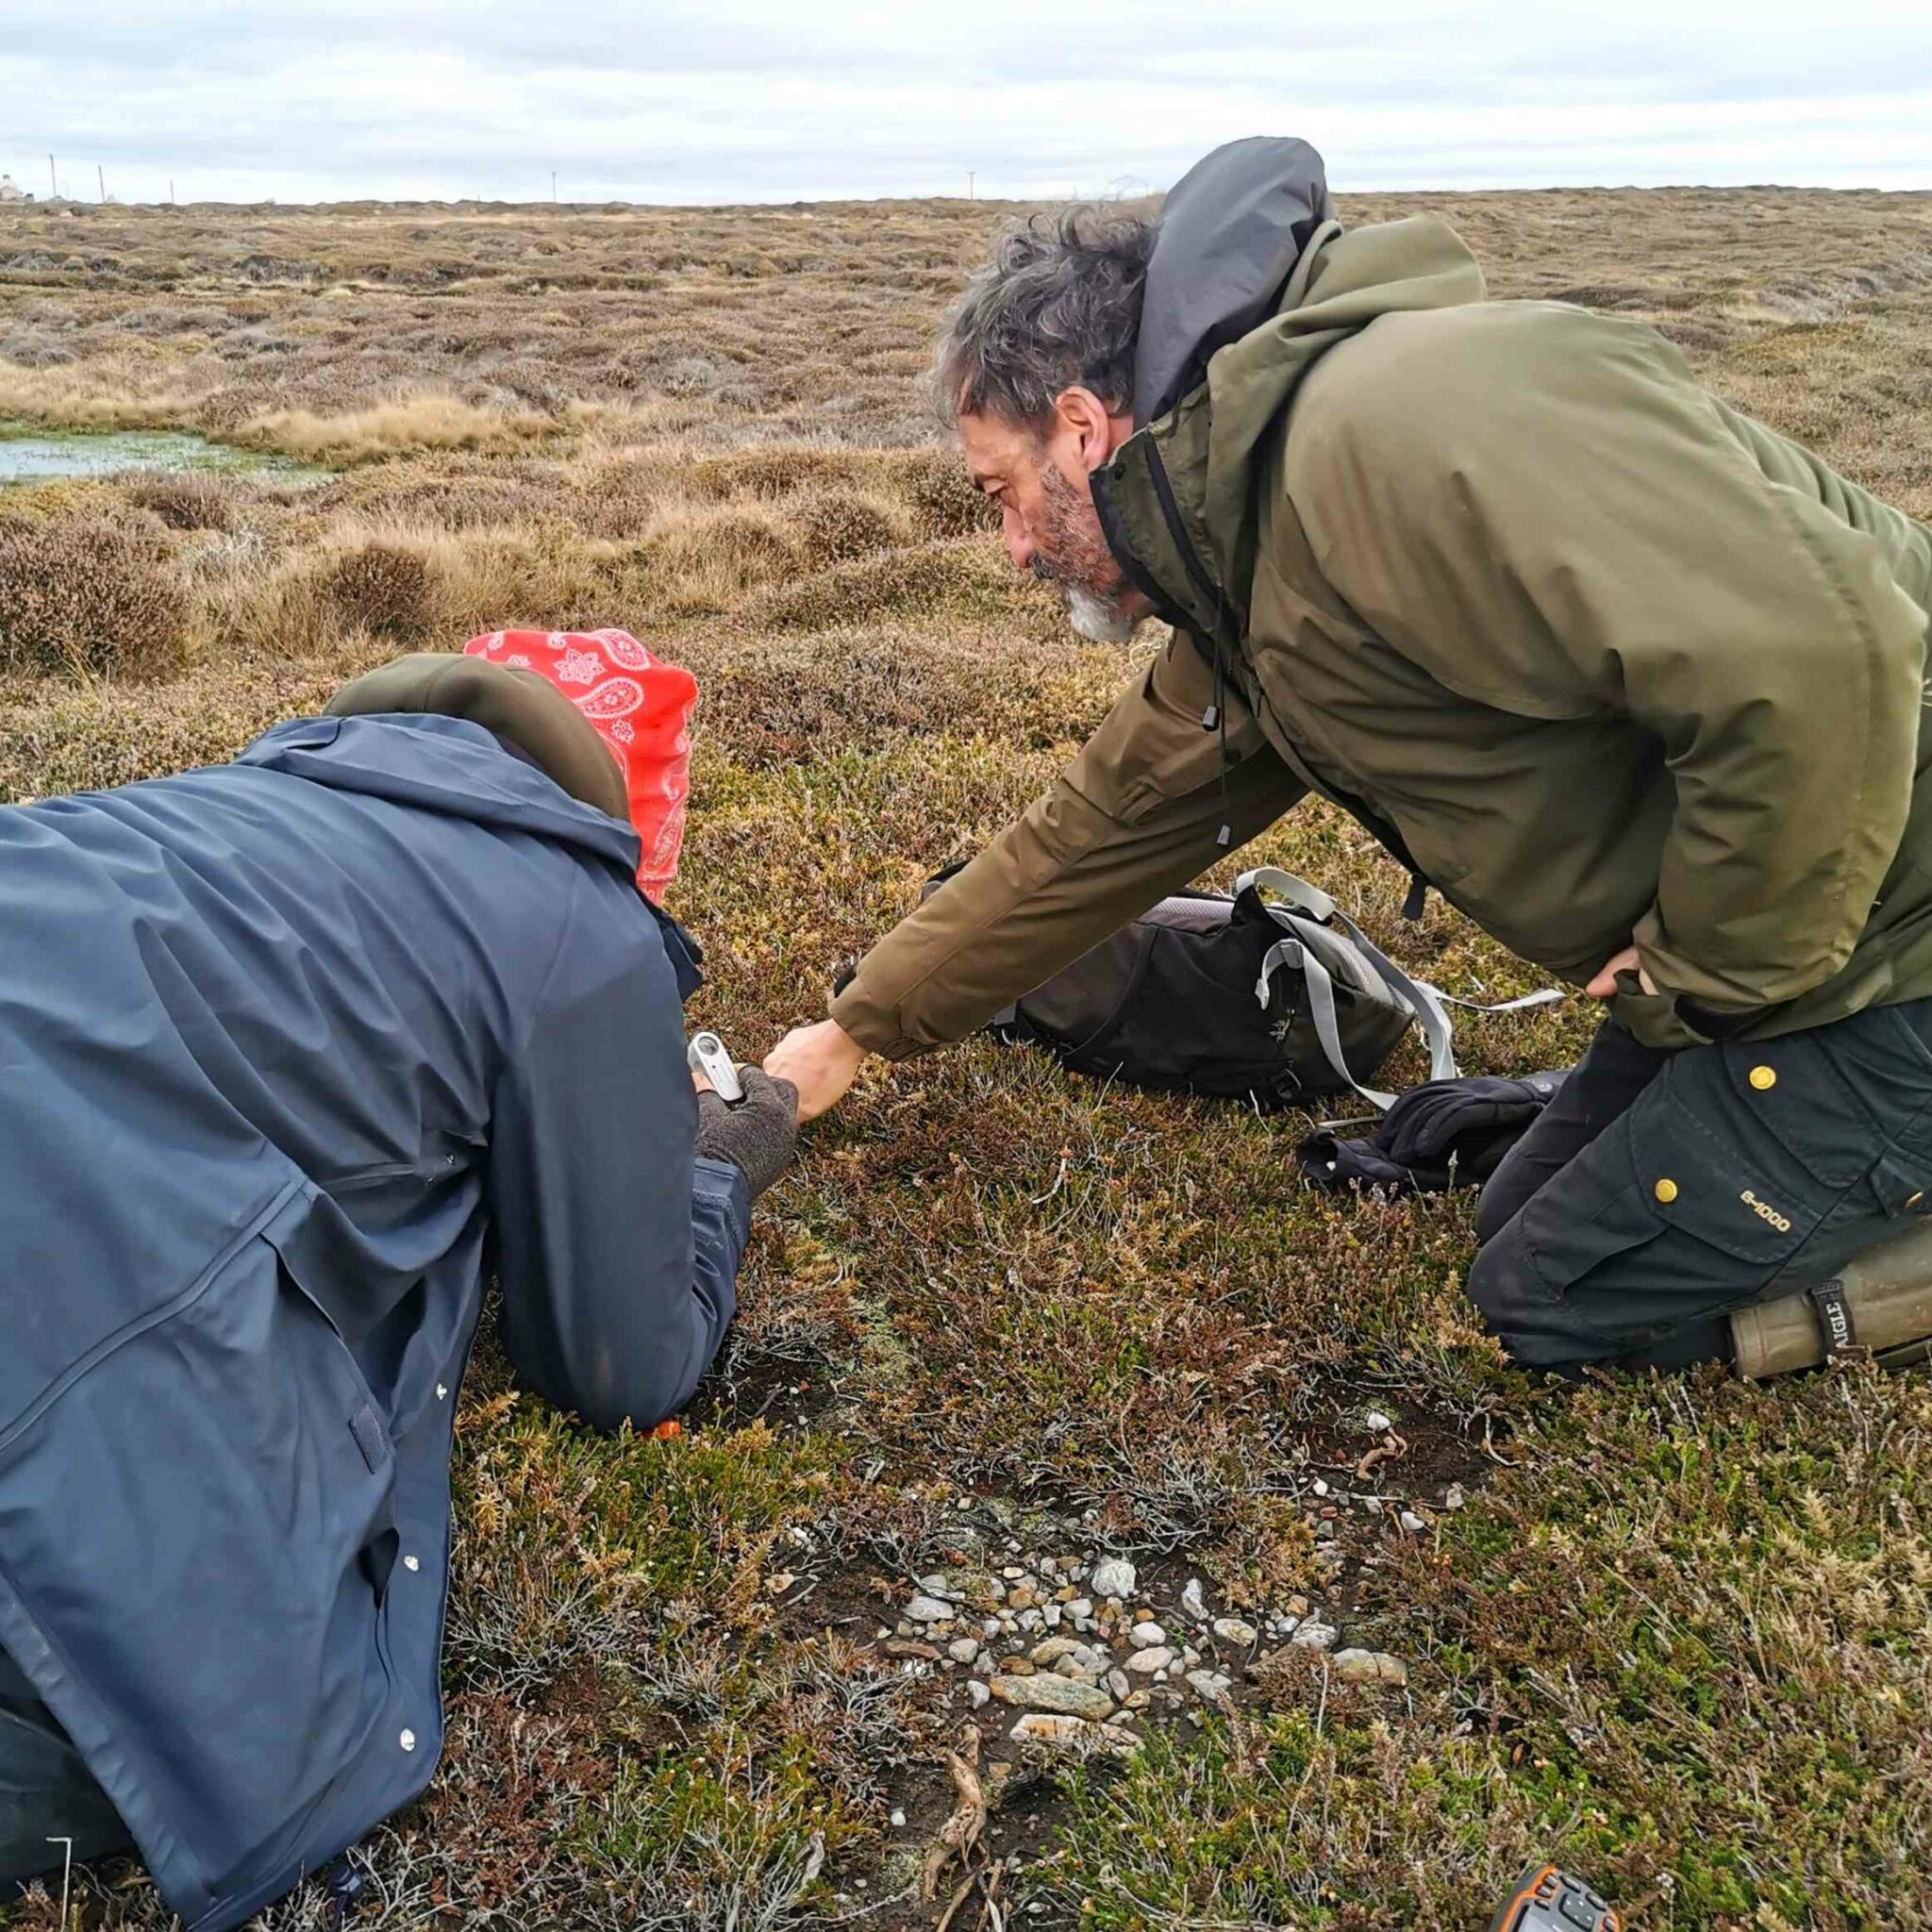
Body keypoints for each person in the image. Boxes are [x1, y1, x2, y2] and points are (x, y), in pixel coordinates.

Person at [766, 134, 1932, 1375]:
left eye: (1002, 493)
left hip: (1878, 955)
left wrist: (1713, 973)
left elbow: (1825, 651)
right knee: (1516, 1217)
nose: (1013, 550)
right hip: (1800, 940)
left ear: (1082, 428)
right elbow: (1103, 825)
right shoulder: (1254, 545)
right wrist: (853, 1031)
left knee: (1554, 1305)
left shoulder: (1390, 438)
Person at [0, 654, 796, 1926]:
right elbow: (622, 1362)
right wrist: (719, 1161)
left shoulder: (230, 808)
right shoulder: (578, 917)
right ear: (620, 829)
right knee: (132, 1699)